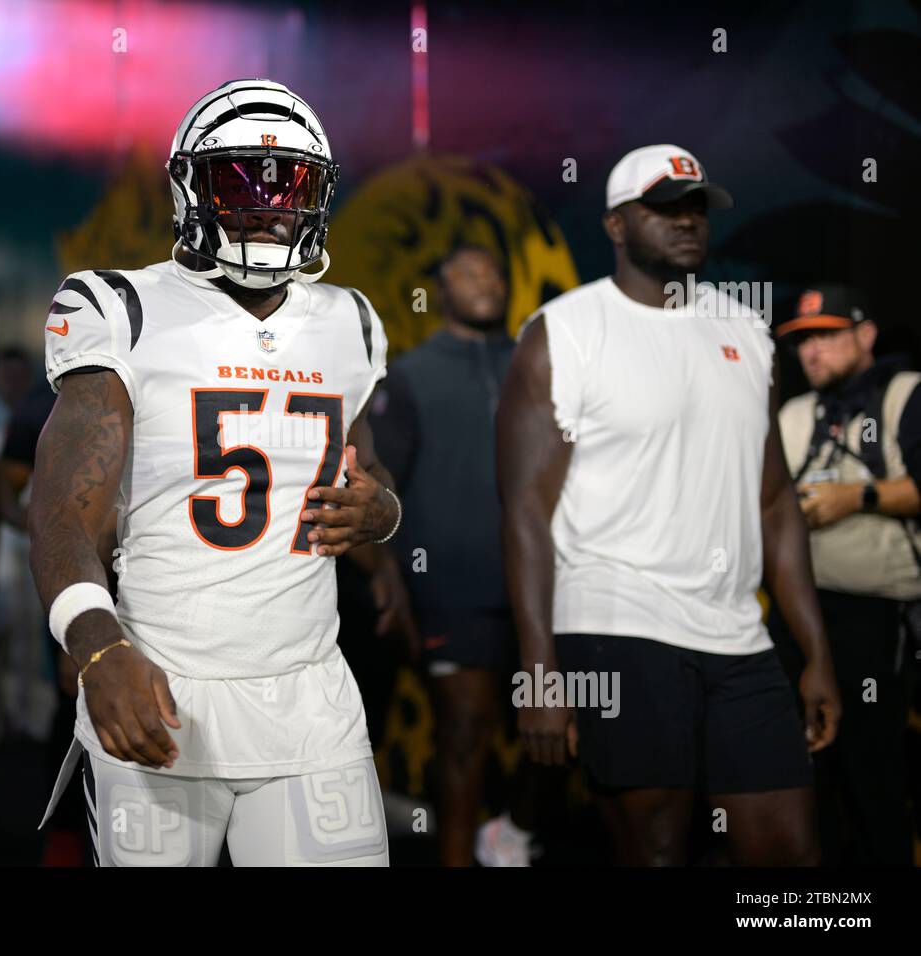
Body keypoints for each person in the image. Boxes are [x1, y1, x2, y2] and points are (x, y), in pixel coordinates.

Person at [30, 78, 405, 866]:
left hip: (310, 697)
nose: (268, 204)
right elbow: (63, 511)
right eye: (239, 179)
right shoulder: (120, 307)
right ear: (189, 187)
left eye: (290, 183)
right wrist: (98, 650)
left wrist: (384, 513)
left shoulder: (350, 320)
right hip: (162, 681)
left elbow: (364, 469)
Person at [497, 144, 841, 865]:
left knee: (790, 857)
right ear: (617, 225)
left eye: (696, 207)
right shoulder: (564, 332)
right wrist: (539, 674)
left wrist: (815, 653)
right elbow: (526, 511)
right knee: (655, 850)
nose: (687, 221)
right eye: (664, 207)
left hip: (739, 635)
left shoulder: (747, 332)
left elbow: (775, 501)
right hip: (616, 623)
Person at [370, 244, 544, 866]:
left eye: (494, 271)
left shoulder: (537, 362)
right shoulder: (412, 372)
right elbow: (380, 485)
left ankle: (514, 834)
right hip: (451, 591)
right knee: (465, 737)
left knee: (562, 733)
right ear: (441, 291)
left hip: (545, 590)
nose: (485, 282)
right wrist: (393, 576)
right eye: (466, 273)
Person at [771, 285, 920, 865]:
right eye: (804, 341)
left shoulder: (905, 394)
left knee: (872, 771)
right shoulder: (793, 414)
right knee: (800, 774)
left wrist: (854, 496)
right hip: (797, 611)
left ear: (865, 334)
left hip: (877, 611)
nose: (813, 353)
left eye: (827, 335)